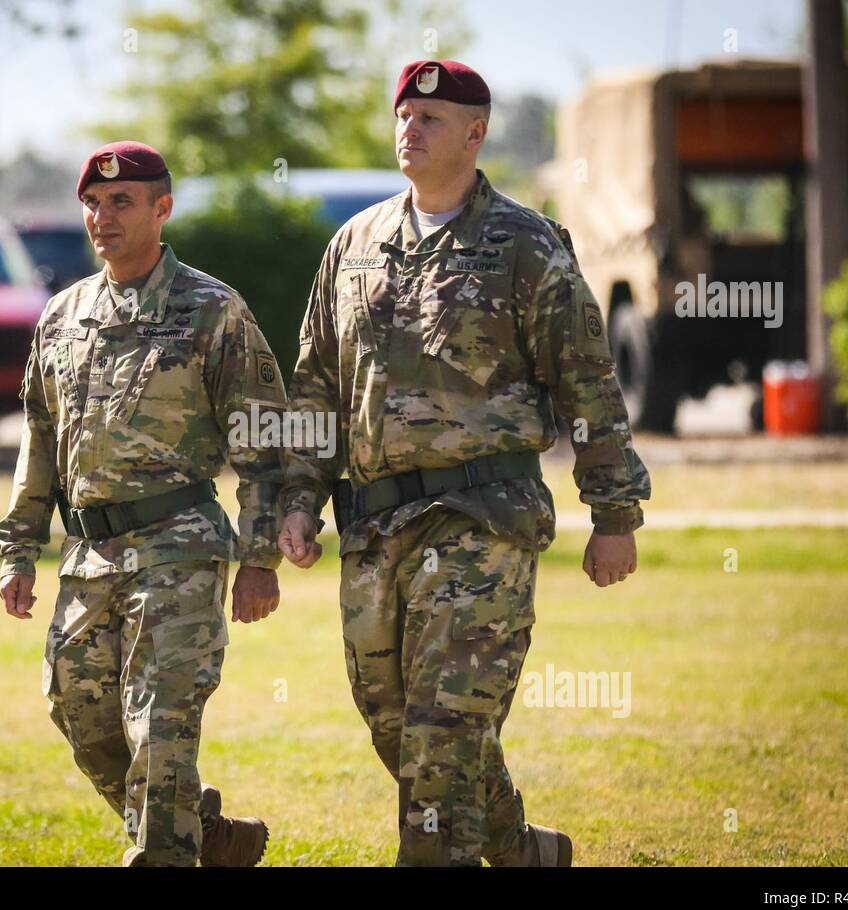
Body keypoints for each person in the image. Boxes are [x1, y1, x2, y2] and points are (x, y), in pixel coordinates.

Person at [277, 61, 651, 866]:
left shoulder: (526, 245)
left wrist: (613, 516)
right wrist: (300, 500)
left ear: (475, 134)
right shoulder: (354, 244)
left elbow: (586, 380)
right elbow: (315, 383)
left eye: (432, 117)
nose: (410, 127)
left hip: (486, 518)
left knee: (444, 732)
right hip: (374, 523)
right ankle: (521, 848)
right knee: (393, 722)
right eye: (404, 113)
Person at [0, 141, 286, 866]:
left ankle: (164, 852)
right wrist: (18, 548)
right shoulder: (62, 317)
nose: (103, 216)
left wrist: (261, 556)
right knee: (81, 713)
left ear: (163, 209)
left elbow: (266, 442)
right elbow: (40, 440)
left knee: (160, 726)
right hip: (88, 556)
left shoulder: (211, 309)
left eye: (121, 201)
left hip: (179, 547)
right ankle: (202, 836)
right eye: (92, 203)